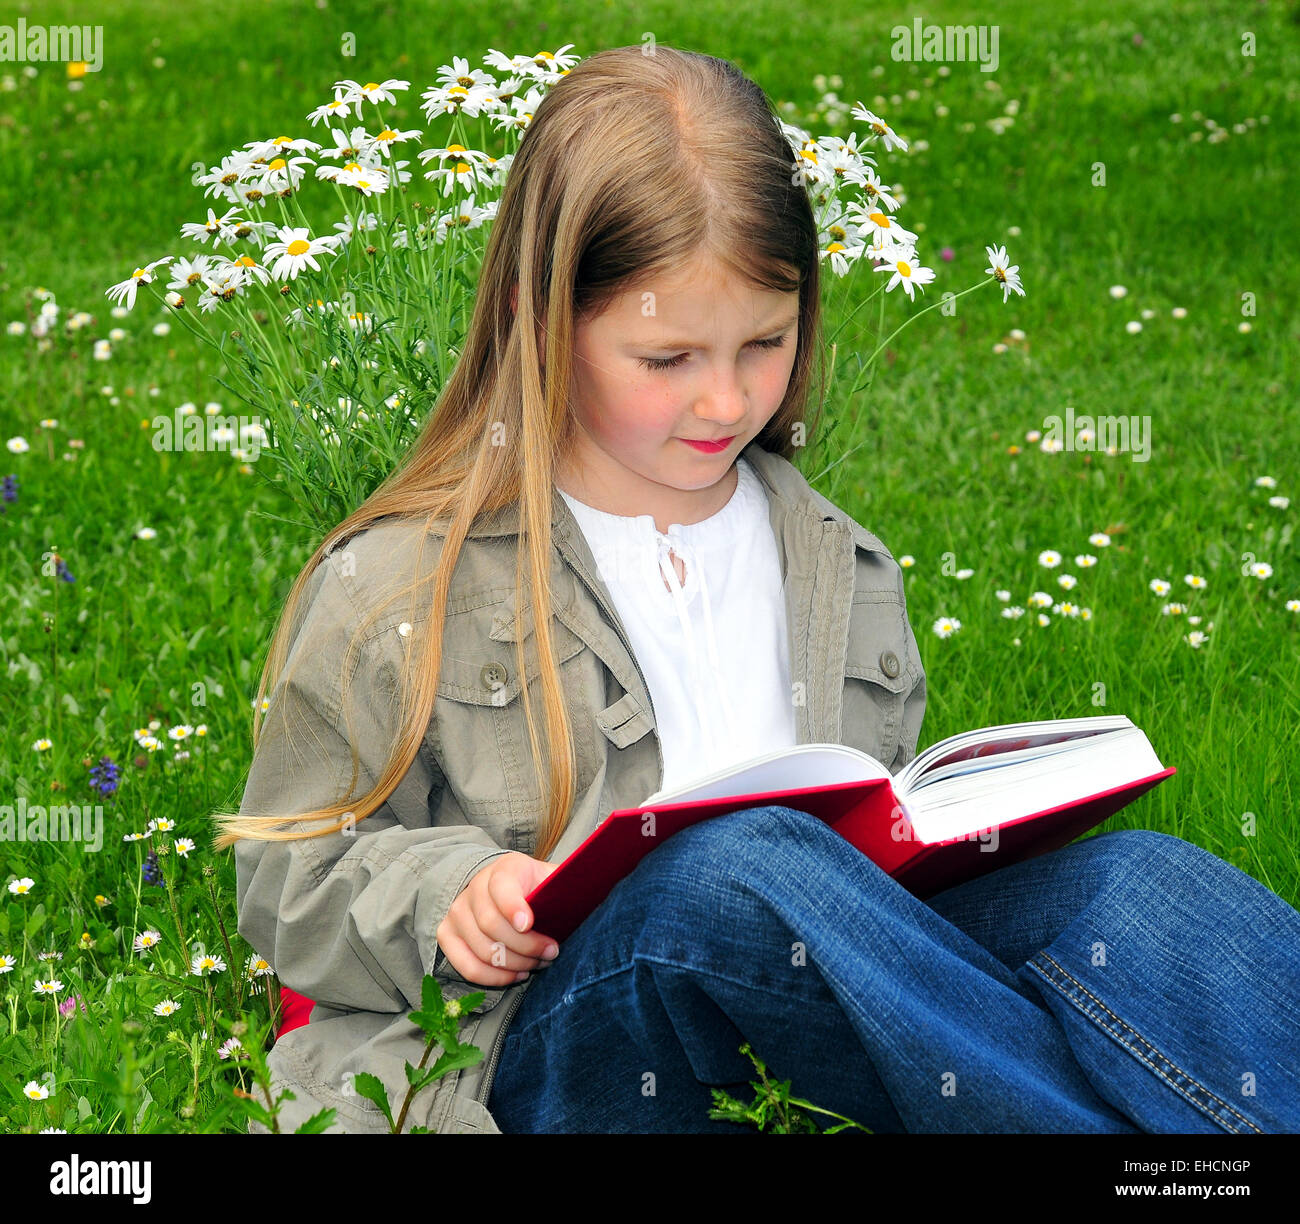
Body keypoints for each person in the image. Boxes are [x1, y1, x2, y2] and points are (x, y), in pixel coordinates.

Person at [214, 45, 1300, 1135]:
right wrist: (447, 892)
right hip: (544, 1037)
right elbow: (286, 877)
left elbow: (869, 865)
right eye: (667, 357)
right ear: (543, 323)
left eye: (765, 343)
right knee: (732, 868)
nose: (725, 398)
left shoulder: (836, 558)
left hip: (790, 992)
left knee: (1142, 888)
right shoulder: (403, 578)